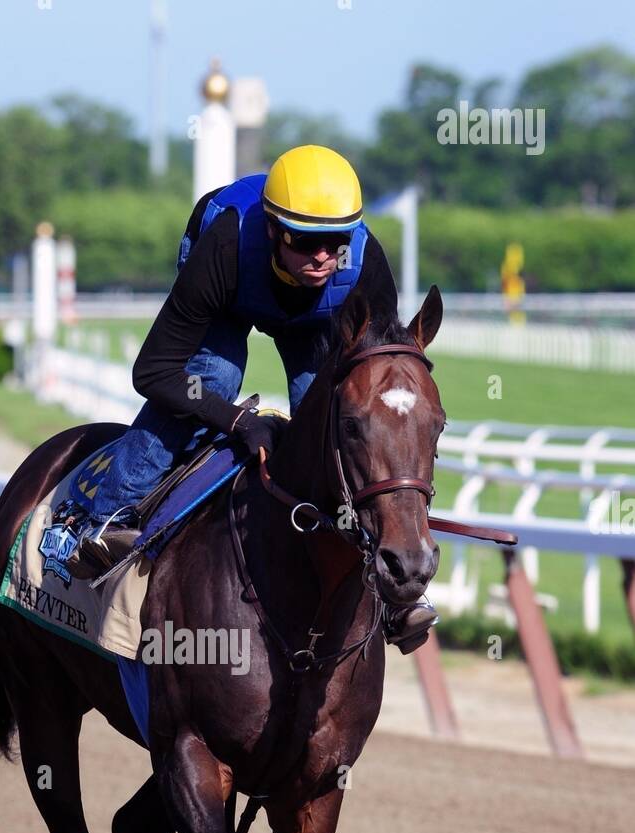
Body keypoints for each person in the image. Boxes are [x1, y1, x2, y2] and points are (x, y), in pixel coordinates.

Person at [59, 144, 436, 650]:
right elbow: (153, 371)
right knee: (213, 376)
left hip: (315, 320)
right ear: (273, 230)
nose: (323, 257)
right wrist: (237, 422)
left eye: (335, 241)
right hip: (233, 295)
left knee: (341, 416)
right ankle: (98, 520)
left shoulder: (364, 264)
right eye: (304, 241)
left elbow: (384, 390)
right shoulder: (225, 246)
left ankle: (391, 584)